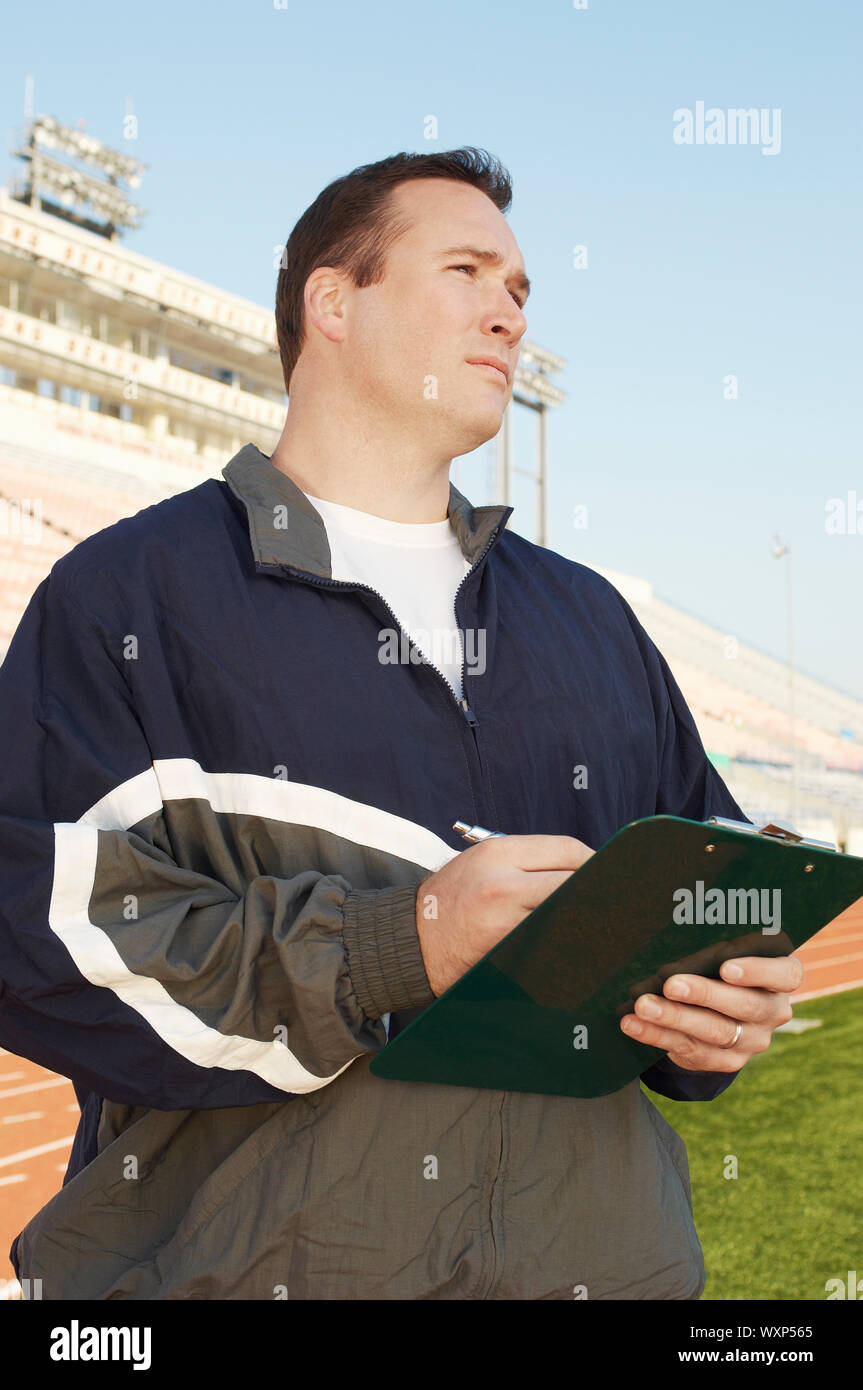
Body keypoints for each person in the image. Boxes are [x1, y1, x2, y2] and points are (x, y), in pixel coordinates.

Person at [0, 147, 799, 1300]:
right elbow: (37, 934)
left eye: (520, 289)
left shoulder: (592, 617)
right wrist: (394, 944)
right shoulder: (130, 596)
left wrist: (715, 1005)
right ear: (332, 301)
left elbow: (705, 886)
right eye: (467, 269)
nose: (507, 311)